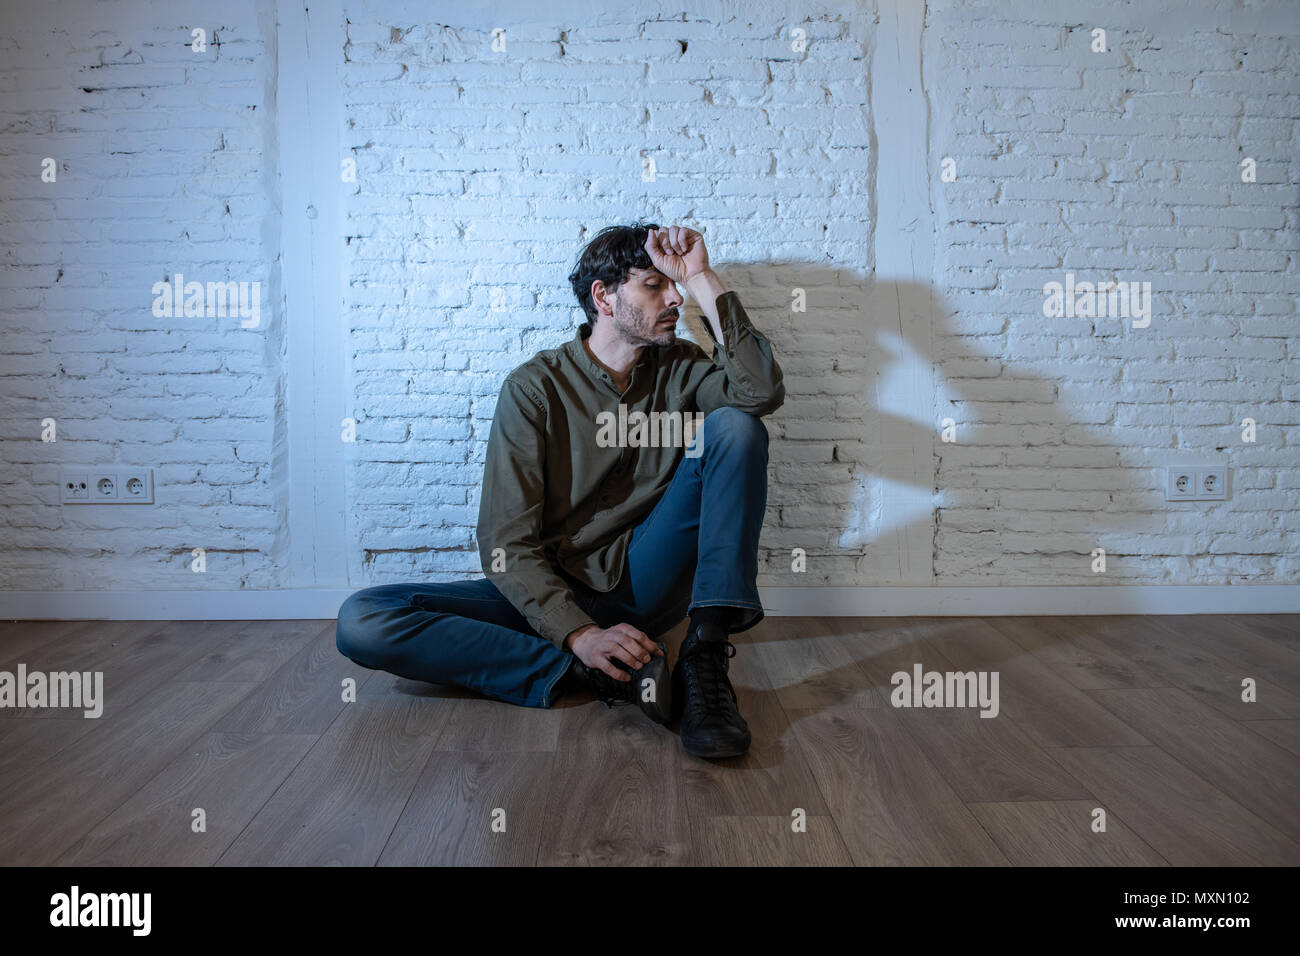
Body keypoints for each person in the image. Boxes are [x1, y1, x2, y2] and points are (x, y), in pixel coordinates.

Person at [335, 222, 785, 758]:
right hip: (555, 593)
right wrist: (577, 634)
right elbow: (505, 542)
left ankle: (705, 656)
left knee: (735, 426)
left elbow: (758, 393)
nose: (674, 298)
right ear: (605, 297)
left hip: (646, 582)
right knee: (364, 620)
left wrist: (703, 275)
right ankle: (604, 673)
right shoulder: (535, 389)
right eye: (654, 285)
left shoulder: (684, 369)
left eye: (676, 285)